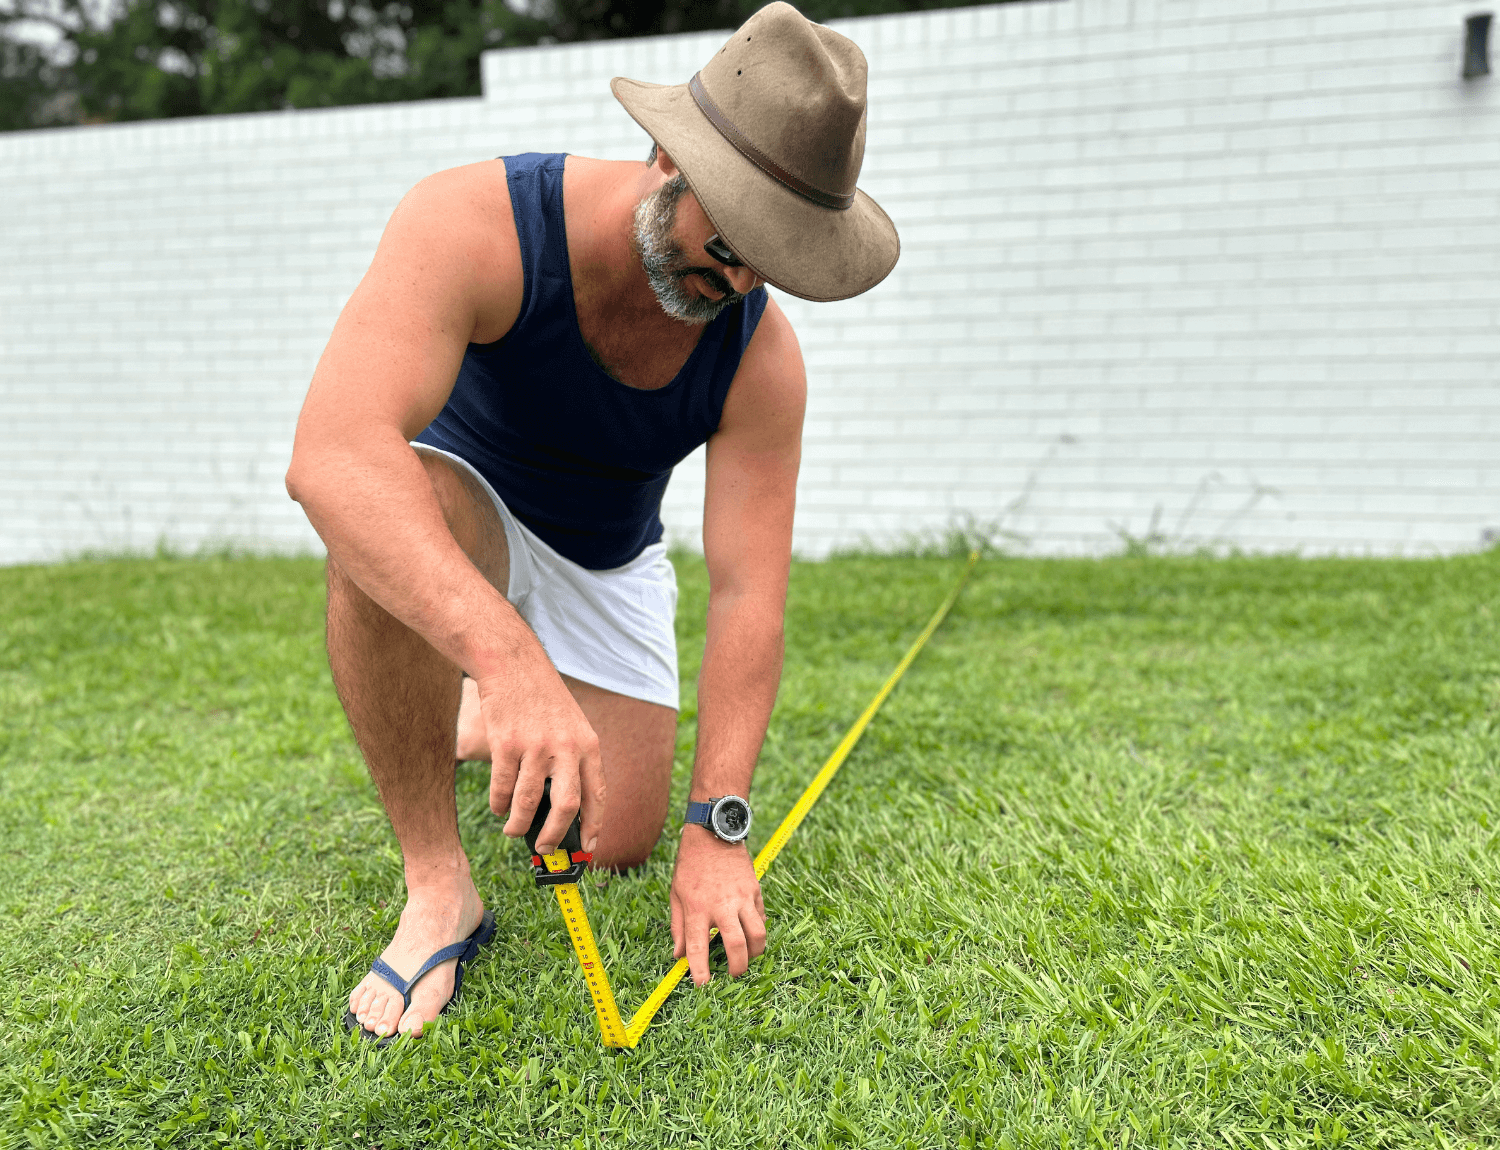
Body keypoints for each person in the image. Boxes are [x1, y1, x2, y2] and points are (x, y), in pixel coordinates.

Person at [285, 0, 899, 1043]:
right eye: (733, 232)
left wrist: (720, 828)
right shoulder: (475, 220)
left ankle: (477, 711)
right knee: (389, 514)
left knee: (613, 836)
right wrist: (509, 653)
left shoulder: (760, 358)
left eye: (774, 256)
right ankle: (439, 882)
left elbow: (750, 594)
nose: (740, 277)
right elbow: (332, 458)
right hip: (463, 510)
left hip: (606, 554)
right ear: (668, 149)